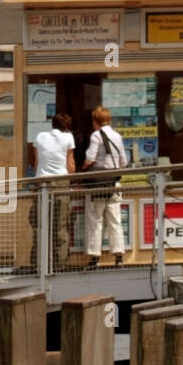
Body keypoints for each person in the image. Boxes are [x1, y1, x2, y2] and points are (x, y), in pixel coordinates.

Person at [26, 112, 76, 269]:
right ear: (67, 127)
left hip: (42, 182)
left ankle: (37, 263)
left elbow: (37, 164)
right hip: (61, 183)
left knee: (40, 225)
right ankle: (60, 264)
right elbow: (70, 165)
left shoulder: (40, 137)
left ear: (52, 124)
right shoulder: (68, 138)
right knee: (60, 225)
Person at [82, 106, 127, 268]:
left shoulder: (96, 136)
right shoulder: (117, 136)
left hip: (98, 185)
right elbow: (124, 162)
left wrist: (83, 168)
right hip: (114, 183)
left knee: (95, 220)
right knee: (115, 221)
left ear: (95, 121)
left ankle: (94, 257)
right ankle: (119, 256)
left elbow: (90, 158)